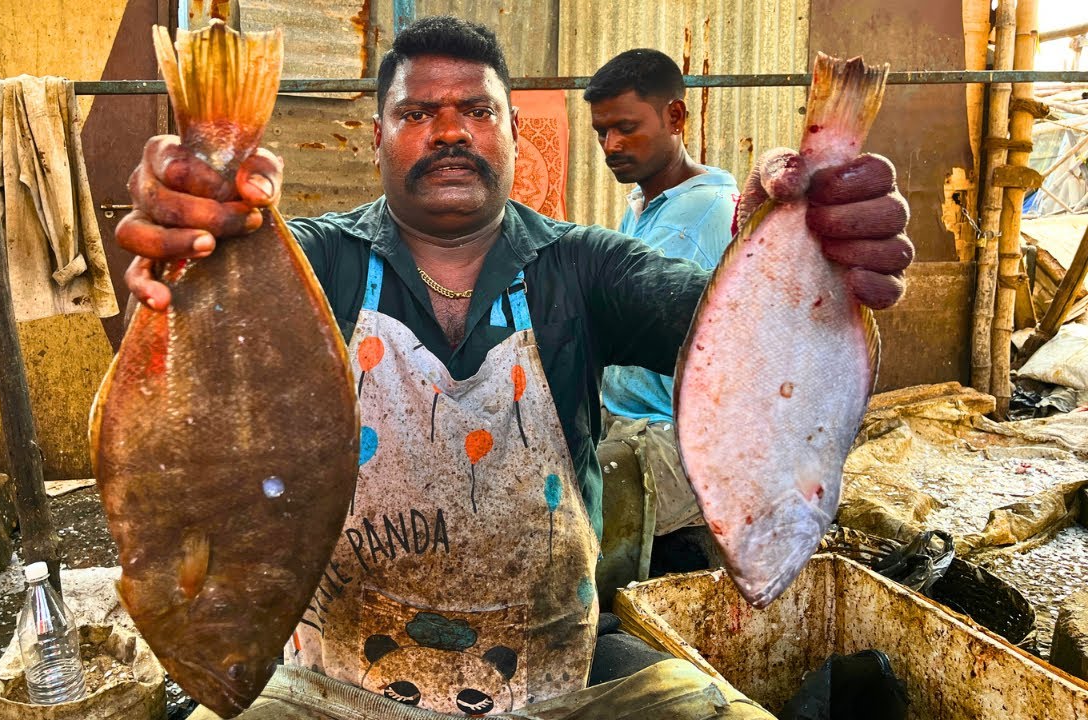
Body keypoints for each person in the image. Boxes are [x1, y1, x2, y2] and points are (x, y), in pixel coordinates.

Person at [116, 16, 912, 719]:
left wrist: (787, 248)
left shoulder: (586, 267)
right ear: (377, 139)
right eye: (418, 113)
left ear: (511, 135)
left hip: (552, 671)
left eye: (478, 110)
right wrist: (191, 219)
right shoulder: (314, 261)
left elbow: (731, 340)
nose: (451, 131)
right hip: (334, 679)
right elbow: (182, 353)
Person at [583, 49, 738, 583]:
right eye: (602, 131)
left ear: (675, 117)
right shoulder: (650, 202)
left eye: (626, 128)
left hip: (675, 434)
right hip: (631, 413)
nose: (611, 146)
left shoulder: (698, 217)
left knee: (570, 513)